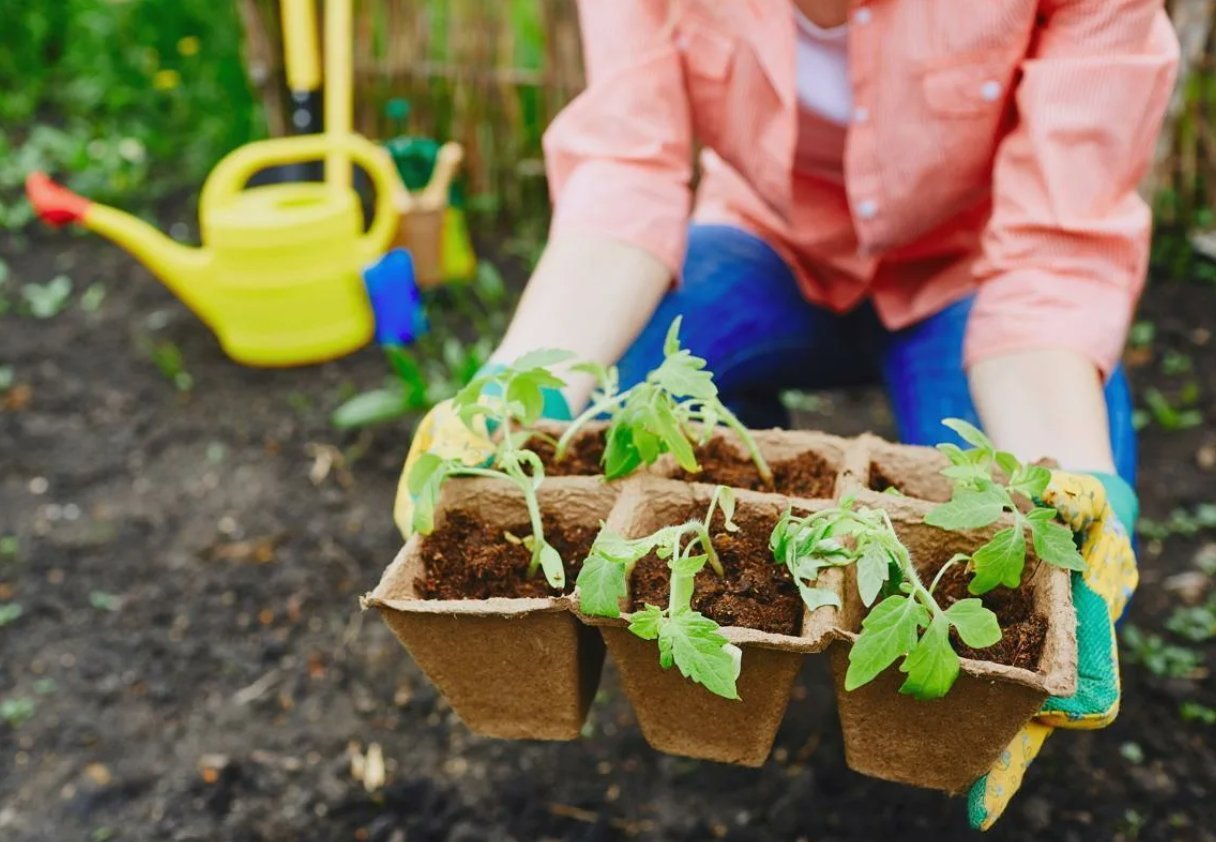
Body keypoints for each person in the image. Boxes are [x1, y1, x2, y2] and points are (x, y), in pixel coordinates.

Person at [396, 0, 1178, 829]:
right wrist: (512, 392)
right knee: (629, 403)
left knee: (1025, 546)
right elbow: (625, 169)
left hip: (975, 271)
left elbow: (1055, 250)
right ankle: (747, 565)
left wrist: (1069, 469)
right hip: (767, 237)